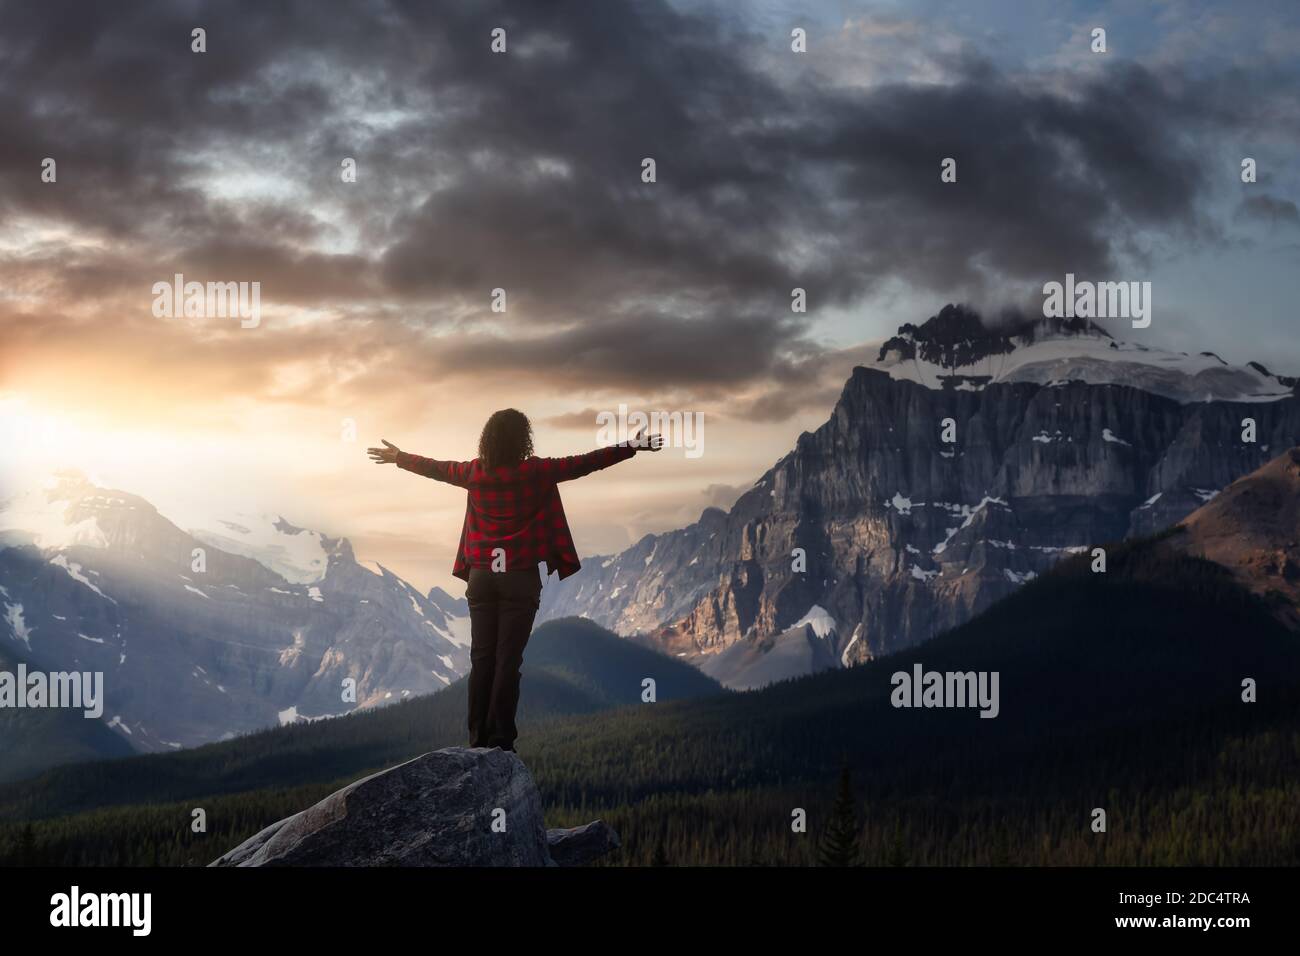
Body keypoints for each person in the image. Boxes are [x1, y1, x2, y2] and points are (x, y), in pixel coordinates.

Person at [368, 409, 661, 751]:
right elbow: (583, 463)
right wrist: (631, 445)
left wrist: (399, 457)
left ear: (488, 439)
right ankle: (501, 741)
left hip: (480, 578)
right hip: (518, 580)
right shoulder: (535, 472)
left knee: (482, 660)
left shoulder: (474, 472)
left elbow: (436, 468)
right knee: (508, 661)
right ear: (522, 439)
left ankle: (477, 739)